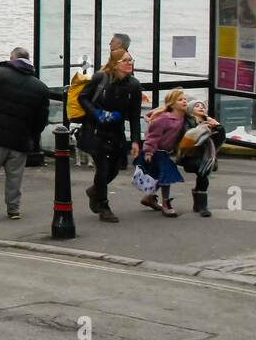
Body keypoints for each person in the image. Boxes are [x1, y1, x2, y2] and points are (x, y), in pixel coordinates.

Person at [0, 46, 50, 222]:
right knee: (15, 175)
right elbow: (41, 119)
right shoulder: (40, 87)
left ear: (12, 59)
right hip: (20, 139)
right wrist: (32, 135)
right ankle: (13, 209)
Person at [77, 47, 143, 223]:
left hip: (116, 131)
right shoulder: (101, 78)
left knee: (115, 169)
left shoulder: (134, 86)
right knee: (103, 167)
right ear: (115, 64)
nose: (129, 63)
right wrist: (97, 114)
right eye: (125, 60)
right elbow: (82, 97)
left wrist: (136, 141)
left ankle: (94, 190)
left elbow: (135, 116)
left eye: (131, 60)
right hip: (96, 130)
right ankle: (104, 206)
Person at [141, 89, 188, 218]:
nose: (184, 101)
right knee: (167, 175)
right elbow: (153, 136)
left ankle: (148, 197)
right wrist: (149, 152)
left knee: (161, 176)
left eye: (185, 99)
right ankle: (166, 204)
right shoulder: (164, 119)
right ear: (172, 104)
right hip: (157, 151)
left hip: (167, 152)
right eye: (180, 99)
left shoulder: (184, 117)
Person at [178, 99, 224, 217]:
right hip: (189, 156)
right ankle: (202, 206)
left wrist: (218, 127)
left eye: (202, 106)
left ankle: (200, 204)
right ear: (190, 110)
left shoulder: (209, 122)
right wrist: (204, 129)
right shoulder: (188, 121)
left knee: (203, 174)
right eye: (197, 106)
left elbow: (220, 139)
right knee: (202, 171)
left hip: (206, 156)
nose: (201, 107)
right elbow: (189, 137)